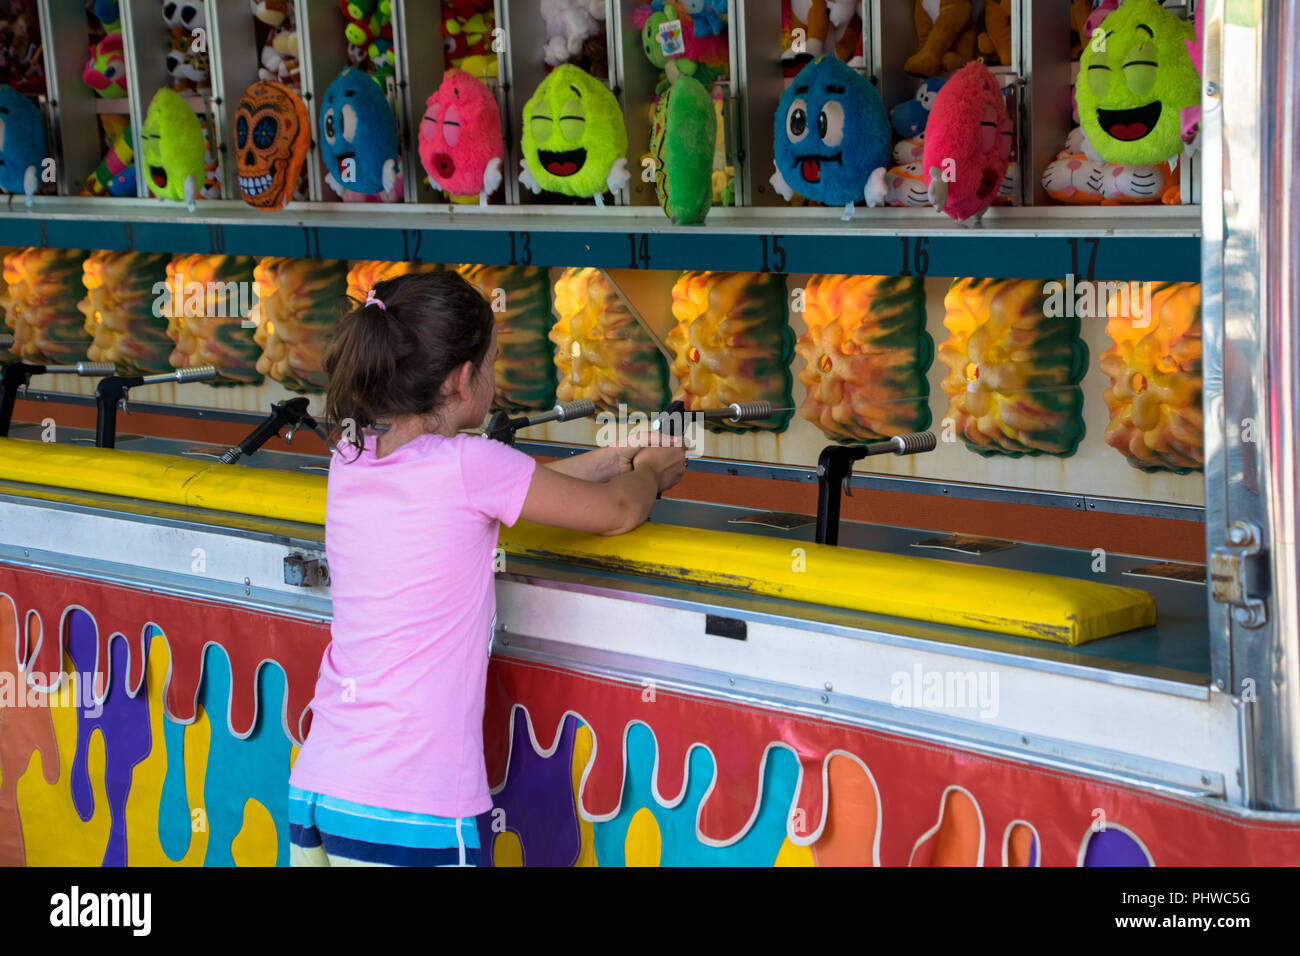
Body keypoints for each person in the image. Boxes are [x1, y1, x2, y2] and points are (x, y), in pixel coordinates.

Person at [287, 270, 685, 866]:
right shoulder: (471, 468)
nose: (496, 379)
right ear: (462, 378)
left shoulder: (352, 458)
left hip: (324, 780)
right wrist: (651, 473)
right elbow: (618, 512)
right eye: (493, 362)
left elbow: (513, 489)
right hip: (413, 805)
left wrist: (617, 456)